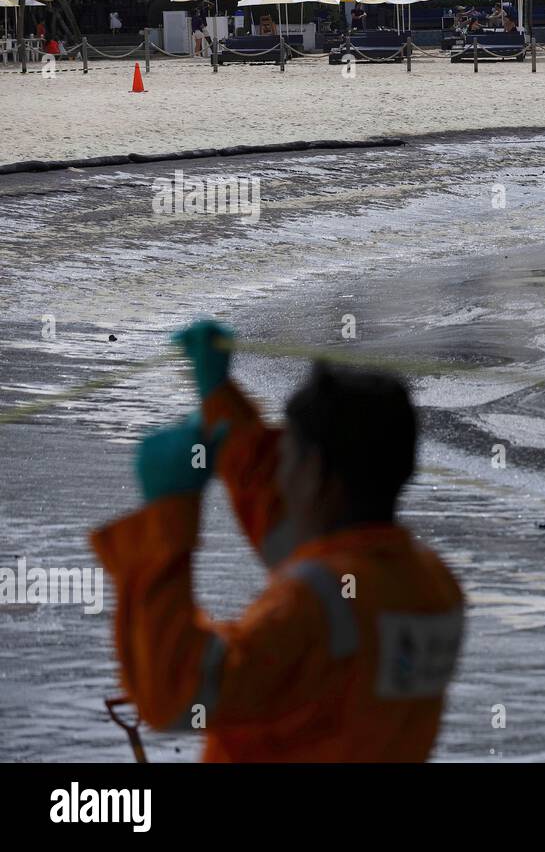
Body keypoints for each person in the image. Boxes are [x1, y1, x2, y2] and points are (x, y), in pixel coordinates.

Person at [90, 320, 466, 762]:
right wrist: (218, 397)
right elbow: (300, 531)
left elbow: (178, 693)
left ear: (316, 476)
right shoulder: (430, 583)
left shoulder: (315, 604)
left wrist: (167, 515)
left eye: (287, 456)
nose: (279, 475)